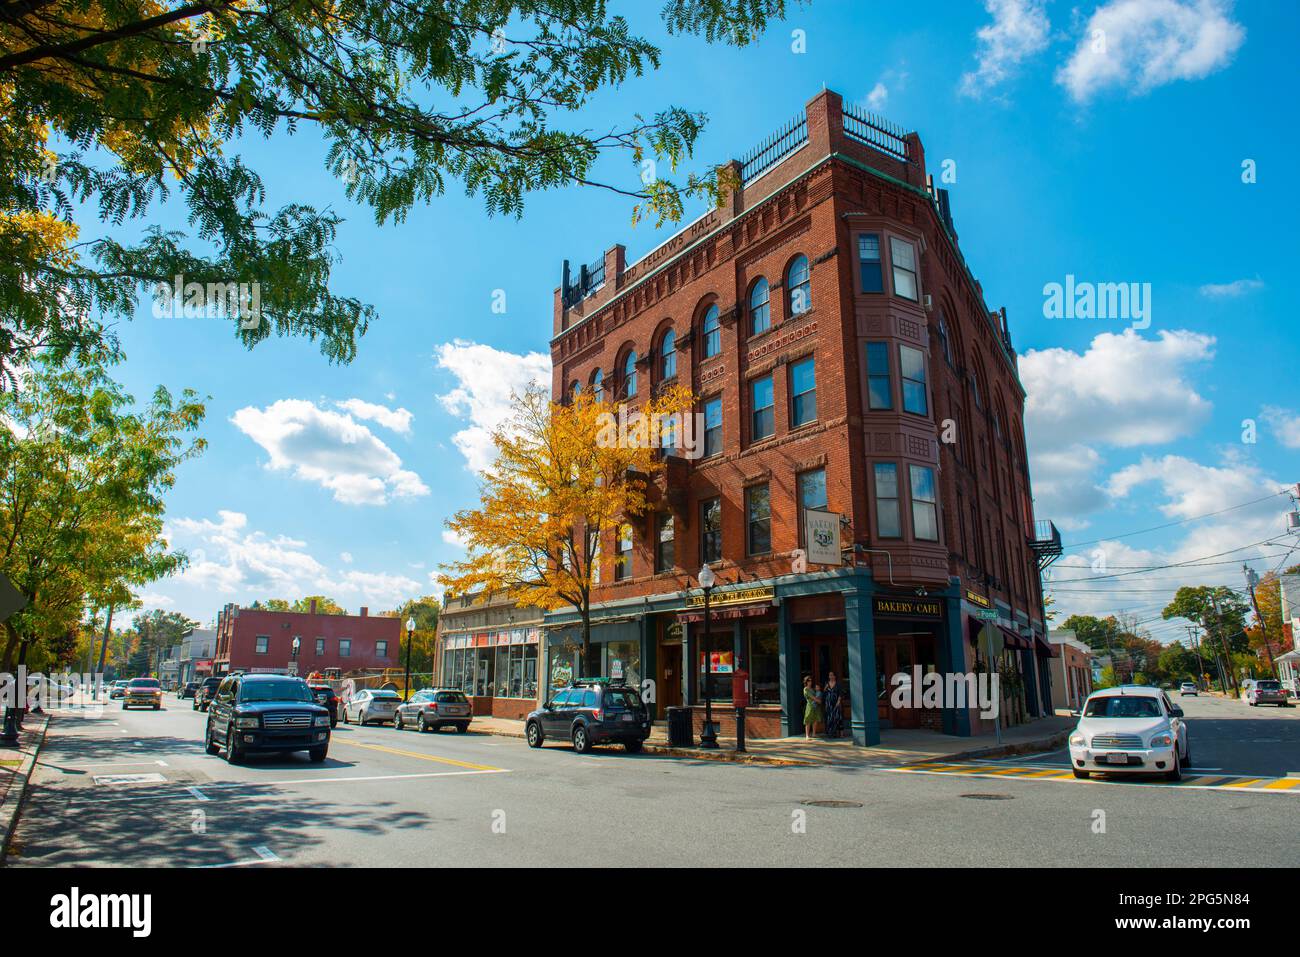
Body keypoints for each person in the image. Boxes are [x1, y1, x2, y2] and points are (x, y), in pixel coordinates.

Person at [822, 671, 844, 738]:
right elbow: (824, 693)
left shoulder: (838, 684)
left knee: (838, 717)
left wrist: (838, 701)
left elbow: (840, 694)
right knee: (829, 718)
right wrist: (825, 689)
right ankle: (831, 733)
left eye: (832, 675)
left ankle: (841, 734)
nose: (831, 676)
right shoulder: (827, 683)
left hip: (836, 703)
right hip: (828, 703)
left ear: (835, 676)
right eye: (829, 675)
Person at [802, 675, 822, 740]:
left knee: (815, 719)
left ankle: (814, 733)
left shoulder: (813, 689)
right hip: (810, 706)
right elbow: (811, 697)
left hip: (816, 706)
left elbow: (817, 694)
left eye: (811, 681)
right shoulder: (806, 689)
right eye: (809, 681)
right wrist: (818, 701)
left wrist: (819, 700)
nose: (810, 682)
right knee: (808, 719)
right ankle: (807, 735)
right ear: (806, 682)